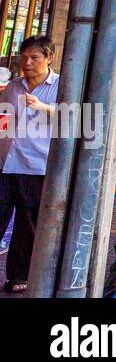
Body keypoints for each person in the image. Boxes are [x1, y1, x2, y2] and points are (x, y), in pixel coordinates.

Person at [0, 36, 59, 294]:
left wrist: (42, 106)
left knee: (26, 225)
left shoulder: (61, 86)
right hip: (6, 163)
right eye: (24, 57)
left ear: (49, 58)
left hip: (36, 165)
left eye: (35, 58)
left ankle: (18, 276)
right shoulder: (13, 86)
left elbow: (72, 117)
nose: (28, 62)